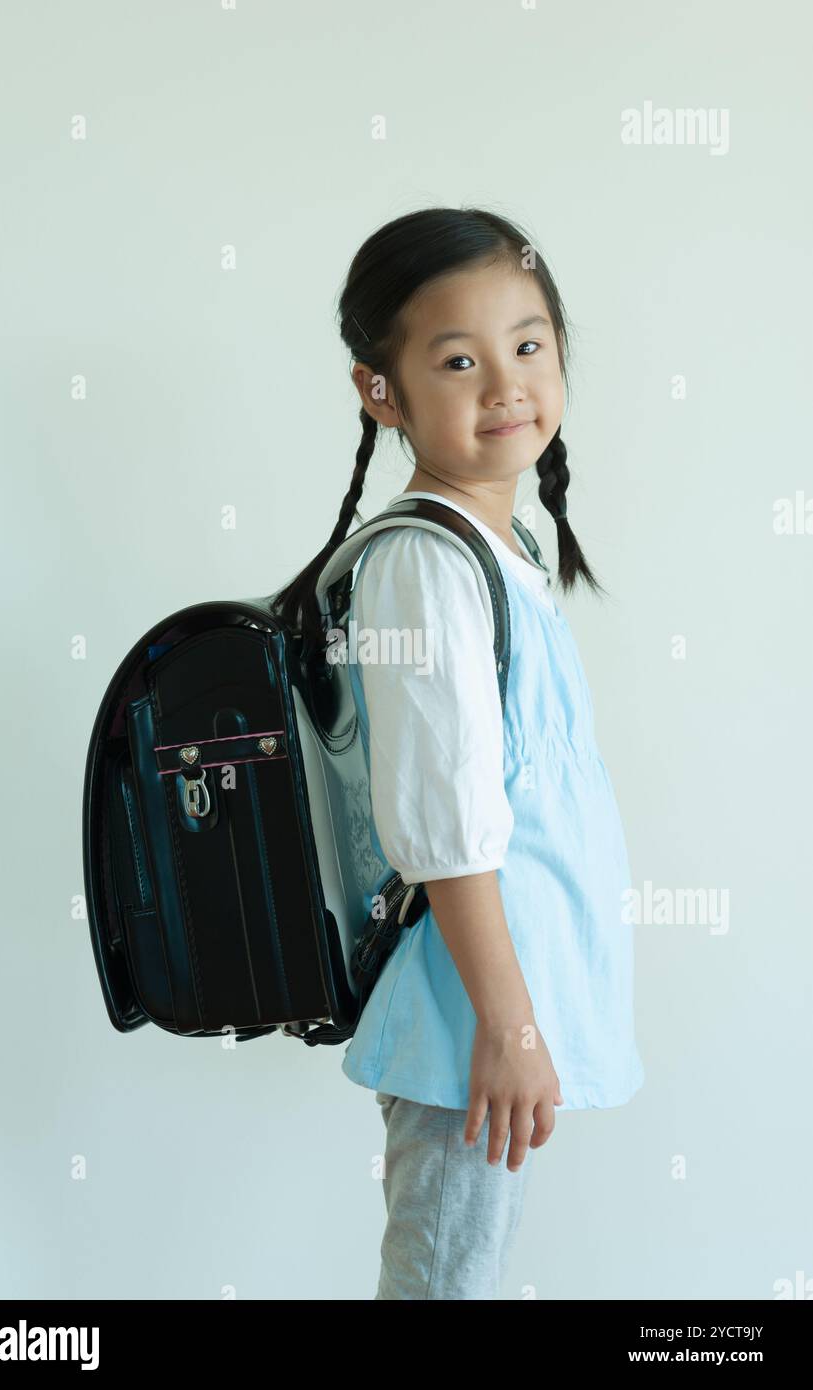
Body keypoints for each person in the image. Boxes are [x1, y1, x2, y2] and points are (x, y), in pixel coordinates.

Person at [271, 206, 645, 1299]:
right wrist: (510, 1026)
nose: (505, 384)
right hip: (471, 1014)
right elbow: (441, 823)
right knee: (445, 1284)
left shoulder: (497, 548)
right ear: (380, 392)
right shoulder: (424, 566)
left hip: (496, 1005)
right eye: (457, 360)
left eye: (527, 345)